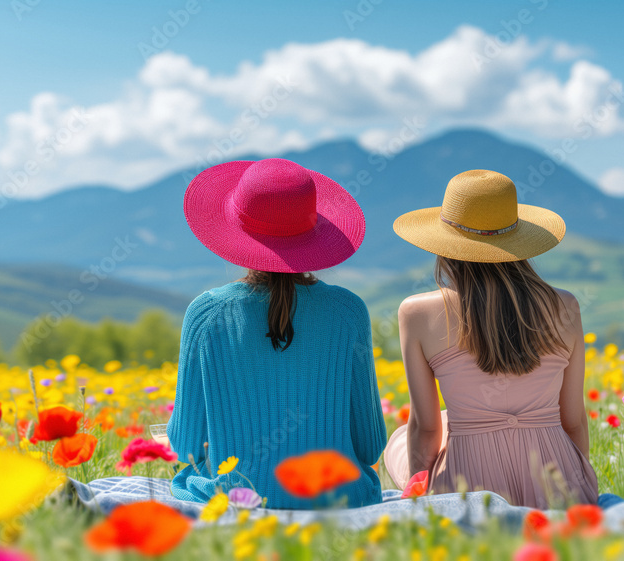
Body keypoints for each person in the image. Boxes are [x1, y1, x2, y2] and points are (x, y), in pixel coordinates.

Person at [168, 158, 388, 509]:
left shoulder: (205, 314)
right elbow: (370, 445)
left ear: (236, 232)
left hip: (235, 498)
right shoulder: (349, 311)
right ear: (313, 234)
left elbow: (187, 447)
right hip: (338, 500)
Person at [383, 169, 599, 509]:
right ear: (518, 240)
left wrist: (418, 502)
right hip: (555, 479)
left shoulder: (417, 312)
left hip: (468, 485)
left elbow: (425, 430)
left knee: (400, 439)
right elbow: (573, 421)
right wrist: (574, 486)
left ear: (444, 245)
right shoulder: (566, 305)